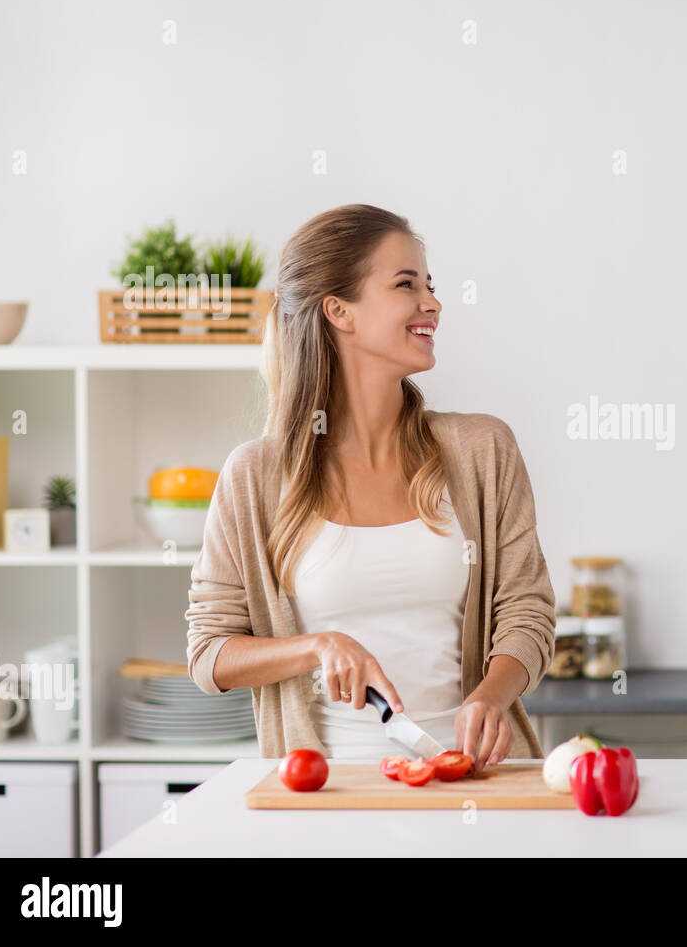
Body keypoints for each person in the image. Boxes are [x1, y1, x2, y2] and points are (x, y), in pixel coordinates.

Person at [185, 204, 555, 770]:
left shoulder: (482, 449)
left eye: (430, 286)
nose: (431, 303)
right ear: (339, 311)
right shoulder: (255, 476)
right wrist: (317, 646)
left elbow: (526, 611)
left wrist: (492, 694)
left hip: (475, 778)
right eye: (406, 284)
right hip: (324, 789)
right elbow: (209, 653)